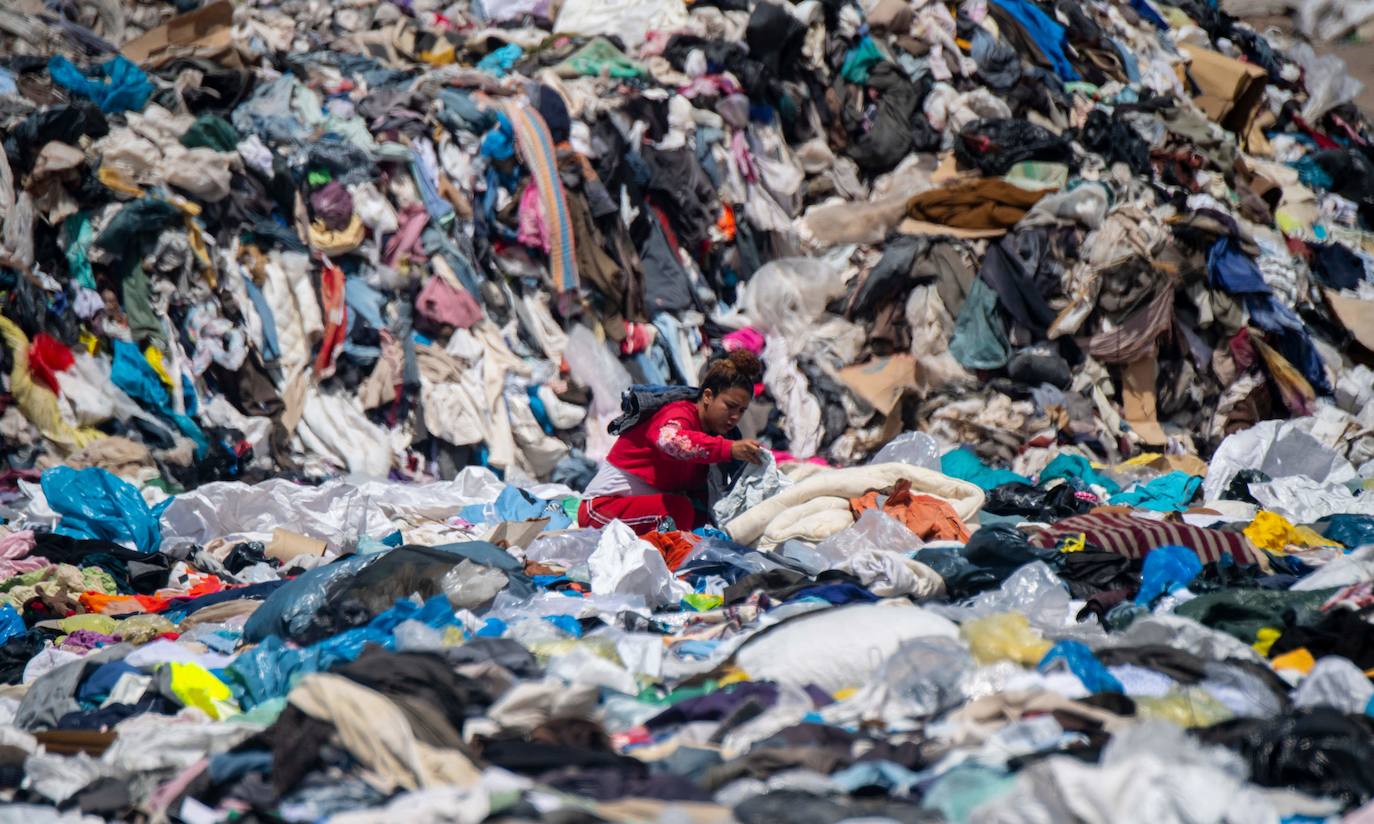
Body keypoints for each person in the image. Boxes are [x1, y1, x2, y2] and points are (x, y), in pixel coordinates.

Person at [578, 350, 766, 534]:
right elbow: (669, 441)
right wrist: (728, 448)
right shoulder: (679, 414)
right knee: (679, 511)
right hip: (599, 510)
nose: (735, 417)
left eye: (741, 411)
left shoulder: (710, 435)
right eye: (730, 406)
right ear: (708, 396)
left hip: (637, 511)